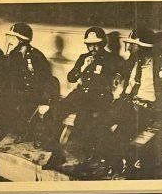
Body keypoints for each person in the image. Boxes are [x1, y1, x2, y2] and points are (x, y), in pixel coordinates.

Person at [93, 27, 162, 176]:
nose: (130, 48)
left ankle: (118, 165)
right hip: (127, 101)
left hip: (146, 107)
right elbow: (121, 69)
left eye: (133, 45)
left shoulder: (161, 64)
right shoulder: (134, 60)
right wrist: (118, 75)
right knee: (99, 121)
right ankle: (103, 160)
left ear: (143, 47)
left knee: (122, 131)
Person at [42, 27, 120, 158]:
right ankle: (54, 144)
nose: (93, 48)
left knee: (83, 118)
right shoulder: (83, 57)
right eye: (90, 45)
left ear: (102, 44)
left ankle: (83, 152)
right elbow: (71, 78)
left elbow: (111, 83)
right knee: (56, 109)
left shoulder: (110, 59)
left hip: (98, 97)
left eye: (96, 45)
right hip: (80, 93)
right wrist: (83, 67)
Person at [0, 22, 56, 144]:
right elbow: (7, 74)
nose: (11, 40)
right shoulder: (13, 54)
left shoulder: (36, 55)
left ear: (22, 40)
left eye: (14, 37)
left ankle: (26, 133)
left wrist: (46, 100)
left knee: (23, 106)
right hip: (18, 90)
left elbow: (47, 80)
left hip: (34, 92)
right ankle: (1, 129)